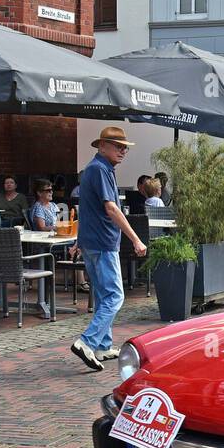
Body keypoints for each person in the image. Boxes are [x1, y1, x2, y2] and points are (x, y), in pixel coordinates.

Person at [71, 126, 147, 371]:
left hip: (94, 242)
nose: (122, 151)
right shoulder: (101, 169)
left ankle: (103, 346)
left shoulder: (97, 169)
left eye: (124, 147)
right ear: (101, 145)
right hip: (103, 243)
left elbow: (87, 209)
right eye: (117, 146)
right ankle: (87, 341)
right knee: (115, 296)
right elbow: (111, 208)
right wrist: (135, 239)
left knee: (105, 295)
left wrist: (79, 240)